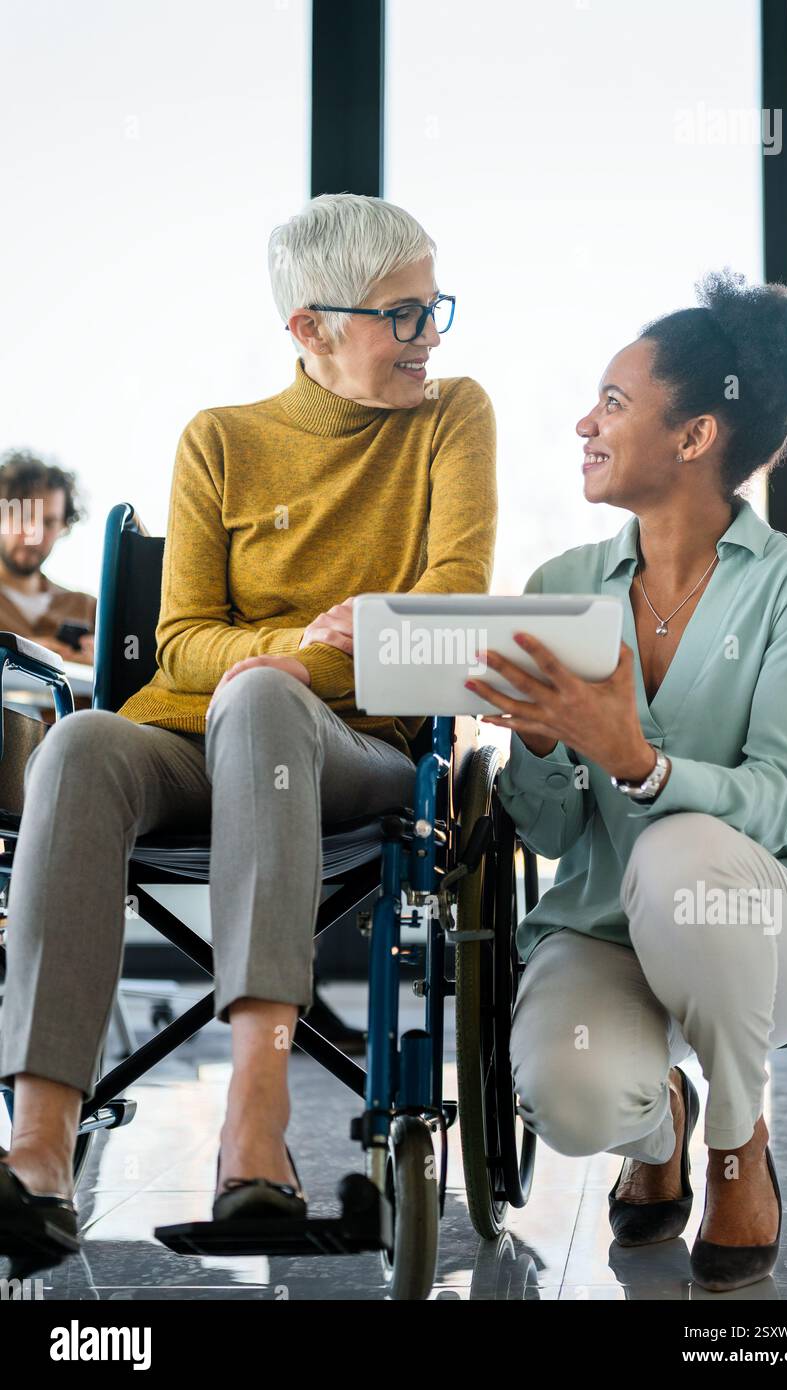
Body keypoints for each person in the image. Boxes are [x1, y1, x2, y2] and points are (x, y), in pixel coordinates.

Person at [0, 192, 497, 1273]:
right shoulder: (219, 440)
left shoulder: (453, 417)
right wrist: (290, 647)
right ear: (309, 330)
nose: (432, 337)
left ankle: (254, 1121)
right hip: (193, 736)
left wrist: (278, 666)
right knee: (79, 747)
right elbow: (180, 642)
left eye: (433, 309)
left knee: (265, 704)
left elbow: (449, 603)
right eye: (403, 317)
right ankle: (36, 1150)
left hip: (357, 749)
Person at [471, 268, 787, 1294]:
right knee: (571, 1096)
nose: (583, 422)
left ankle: (735, 1141)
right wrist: (547, 745)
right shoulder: (560, 589)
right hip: (603, 930)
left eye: (613, 402)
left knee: (682, 849)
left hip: (764, 931)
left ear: (694, 438)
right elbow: (549, 833)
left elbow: (775, 798)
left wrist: (641, 764)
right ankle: (666, 1120)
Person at [0, 451, 96, 665]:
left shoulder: (88, 608)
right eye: (23, 516)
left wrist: (102, 668)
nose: (34, 534)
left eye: (49, 522)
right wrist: (28, 655)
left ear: (64, 526)